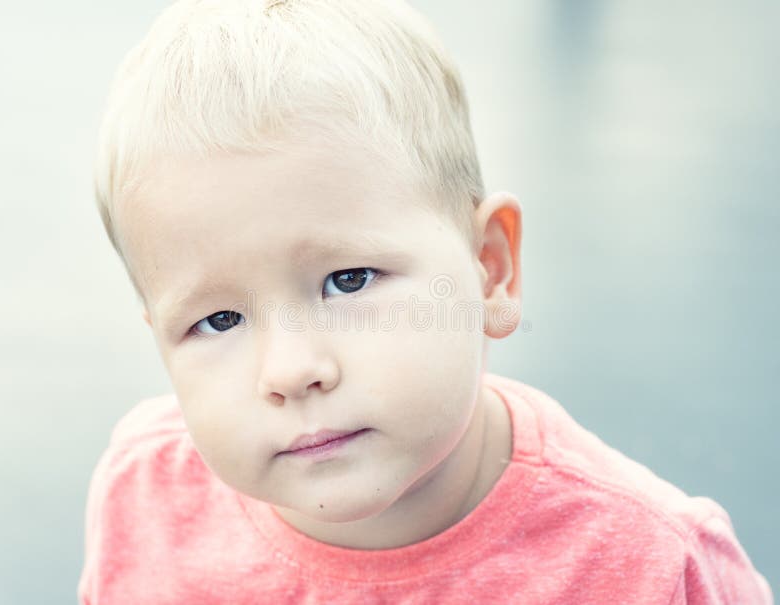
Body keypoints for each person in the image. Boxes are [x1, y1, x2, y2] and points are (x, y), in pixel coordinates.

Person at [77, 1, 774, 603]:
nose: (290, 370)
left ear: (489, 270)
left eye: (348, 279)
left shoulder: (645, 562)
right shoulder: (145, 500)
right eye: (218, 319)